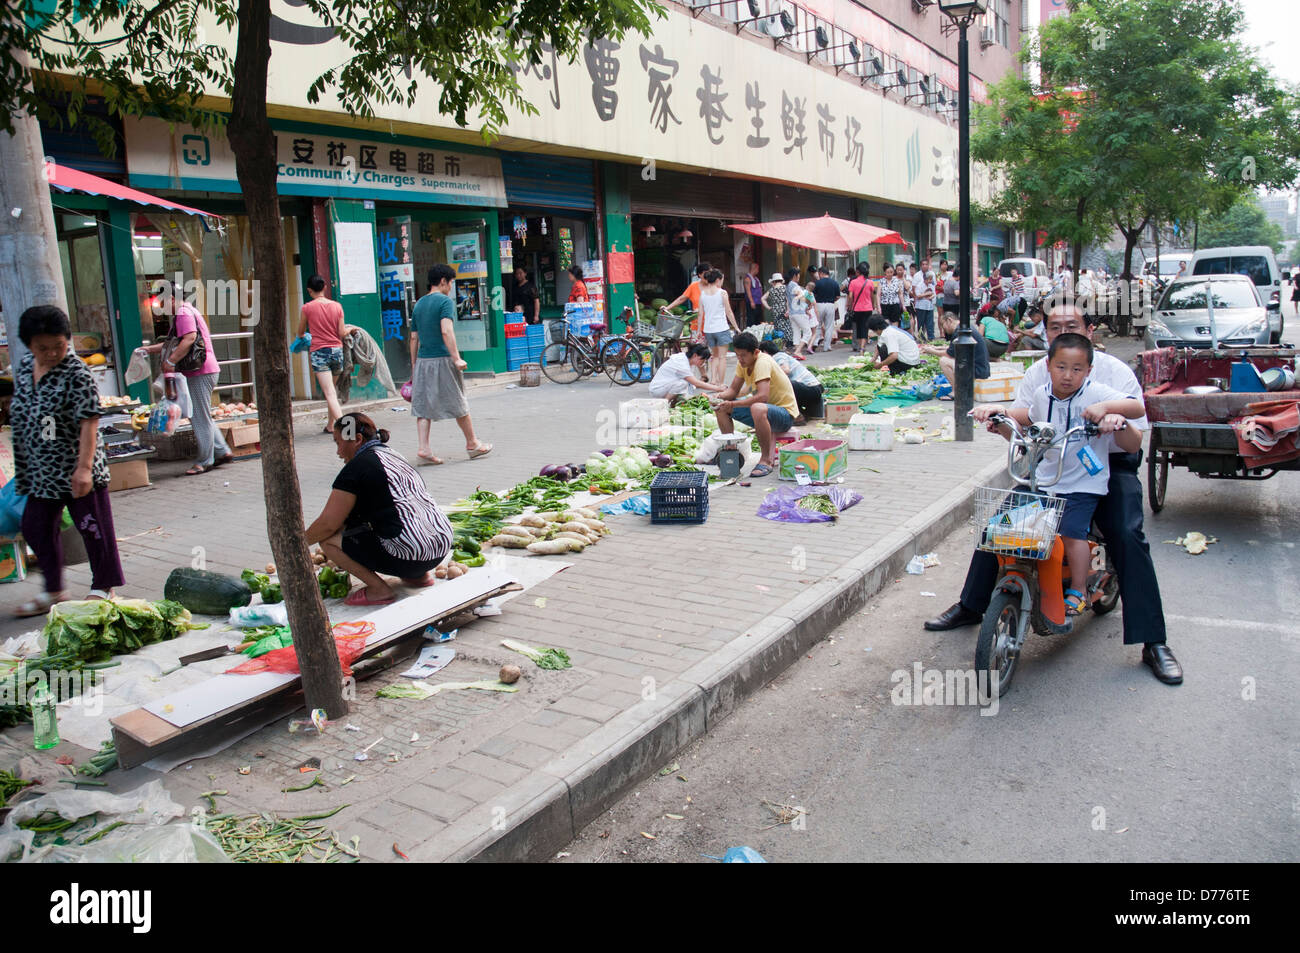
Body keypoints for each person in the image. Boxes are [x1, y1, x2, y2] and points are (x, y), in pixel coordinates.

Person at [924, 302, 1182, 685]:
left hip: (1106, 469)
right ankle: (973, 605)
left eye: (1071, 325)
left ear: (1088, 331)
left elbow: (1132, 440)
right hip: (1051, 468)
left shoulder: (1112, 374)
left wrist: (1112, 419)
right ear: (1045, 337)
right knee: (1003, 521)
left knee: (1128, 533)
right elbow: (1025, 428)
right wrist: (1002, 426)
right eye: (1054, 327)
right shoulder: (1038, 376)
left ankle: (1153, 642)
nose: (1061, 333)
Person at [973, 333, 1144, 616]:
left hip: (1083, 482)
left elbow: (1136, 406)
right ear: (1048, 365)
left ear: (1088, 371)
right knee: (1008, 527)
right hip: (1047, 478)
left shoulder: (1097, 392)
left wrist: (1107, 410)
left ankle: (1078, 589)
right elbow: (1028, 421)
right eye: (1061, 367)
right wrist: (999, 415)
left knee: (1070, 533)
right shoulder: (1042, 395)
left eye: (1077, 369)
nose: (1068, 375)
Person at [10, 305, 125, 616]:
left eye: (58, 345)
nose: (51, 353)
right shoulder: (23, 368)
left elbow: (89, 421)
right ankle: (54, 589)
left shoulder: (76, 373)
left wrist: (84, 469)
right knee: (34, 527)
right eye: (42, 348)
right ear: (29, 345)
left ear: (68, 340)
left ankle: (104, 586)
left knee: (93, 527)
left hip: (77, 465)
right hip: (40, 470)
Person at [306, 413, 454, 607]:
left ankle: (378, 589)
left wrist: (297, 545)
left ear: (357, 440)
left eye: (338, 443)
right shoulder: (392, 454)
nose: (338, 452)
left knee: (327, 540)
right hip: (439, 547)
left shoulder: (357, 468)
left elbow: (327, 525)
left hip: (410, 556)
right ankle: (419, 577)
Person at [140, 283, 232, 476]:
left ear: (171, 299)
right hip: (203, 370)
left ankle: (205, 461)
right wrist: (149, 349)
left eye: (162, 302)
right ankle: (222, 451)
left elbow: (189, 338)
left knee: (199, 416)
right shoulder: (188, 310)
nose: (162, 307)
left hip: (202, 371)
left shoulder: (183, 313)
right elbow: (172, 343)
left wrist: (171, 362)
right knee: (201, 414)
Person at [409, 263, 492, 465]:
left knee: (422, 406)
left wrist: (414, 366)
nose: (451, 287)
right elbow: (446, 331)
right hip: (443, 359)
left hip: (423, 360)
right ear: (444, 281)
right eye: (451, 282)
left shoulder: (419, 304)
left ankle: (424, 448)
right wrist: (456, 358)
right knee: (458, 401)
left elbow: (413, 338)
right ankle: (472, 443)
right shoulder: (444, 302)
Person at [713, 331, 799, 478]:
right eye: (737, 355)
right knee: (721, 408)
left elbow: (763, 396)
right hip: (764, 412)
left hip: (785, 414)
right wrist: (718, 397)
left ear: (756, 352)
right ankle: (731, 451)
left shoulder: (762, 362)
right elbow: (733, 390)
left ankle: (766, 460)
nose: (740, 359)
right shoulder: (743, 363)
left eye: (743, 355)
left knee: (757, 407)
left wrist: (733, 404)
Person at [296, 274, 347, 433]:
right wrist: (351, 330)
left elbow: (300, 332)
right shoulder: (337, 306)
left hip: (320, 353)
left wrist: (303, 337)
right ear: (325, 287)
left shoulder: (307, 308)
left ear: (309, 290)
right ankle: (331, 425)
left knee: (330, 393)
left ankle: (347, 430)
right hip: (337, 352)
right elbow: (342, 332)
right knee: (332, 390)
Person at [760, 339, 823, 424]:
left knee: (781, 386)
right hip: (813, 389)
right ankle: (799, 414)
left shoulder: (778, 356)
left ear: (765, 352)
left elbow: (786, 370)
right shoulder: (780, 356)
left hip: (812, 389)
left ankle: (797, 416)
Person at [698, 268, 741, 384]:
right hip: (721, 328)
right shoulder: (722, 293)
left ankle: (713, 379)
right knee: (722, 357)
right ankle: (721, 383)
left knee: (714, 356)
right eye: (722, 279)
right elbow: (729, 312)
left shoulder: (702, 294)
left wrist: (698, 330)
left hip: (708, 330)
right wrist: (736, 327)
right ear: (718, 279)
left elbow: (700, 314)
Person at [923, 309, 990, 384]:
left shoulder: (959, 332)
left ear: (949, 320)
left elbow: (949, 354)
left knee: (944, 361)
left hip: (977, 371)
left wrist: (931, 351)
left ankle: (956, 391)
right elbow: (955, 348)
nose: (943, 328)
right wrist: (937, 347)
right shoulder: (965, 327)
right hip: (982, 369)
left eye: (942, 324)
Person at [648, 343, 725, 404]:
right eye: (703, 360)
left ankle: (673, 404)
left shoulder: (687, 359)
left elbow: (693, 385)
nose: (703, 363)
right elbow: (696, 383)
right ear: (695, 355)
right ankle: (664, 403)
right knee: (683, 383)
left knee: (686, 386)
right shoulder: (681, 363)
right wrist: (718, 388)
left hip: (664, 386)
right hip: (658, 389)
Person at [845, 262, 877, 355]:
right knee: (865, 328)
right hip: (867, 308)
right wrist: (873, 304)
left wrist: (850, 305)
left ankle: (860, 347)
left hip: (857, 309)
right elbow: (872, 295)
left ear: (858, 272)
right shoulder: (870, 282)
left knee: (858, 328)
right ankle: (862, 348)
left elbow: (850, 296)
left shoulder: (853, 282)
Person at [786, 271, 815, 358]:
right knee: (808, 332)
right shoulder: (795, 286)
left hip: (792, 313)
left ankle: (797, 351)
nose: (799, 276)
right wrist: (808, 303)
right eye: (798, 275)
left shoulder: (787, 286)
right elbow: (801, 297)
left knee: (796, 332)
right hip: (799, 312)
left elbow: (788, 300)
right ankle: (798, 351)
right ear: (795, 275)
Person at [812, 266, 841, 353]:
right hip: (830, 305)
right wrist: (832, 300)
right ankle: (827, 346)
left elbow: (813, 295)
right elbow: (838, 296)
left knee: (818, 325)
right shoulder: (835, 283)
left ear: (821, 273)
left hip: (819, 304)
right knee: (829, 326)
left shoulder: (817, 283)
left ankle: (815, 342)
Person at [761, 270, 791, 349]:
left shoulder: (771, 290)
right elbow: (787, 299)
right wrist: (788, 310)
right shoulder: (785, 288)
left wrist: (769, 307)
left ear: (773, 281)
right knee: (786, 327)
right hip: (784, 310)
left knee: (778, 327)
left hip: (775, 311)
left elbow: (763, 299)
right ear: (781, 281)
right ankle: (785, 345)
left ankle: (780, 345)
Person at [877, 264, 905, 339]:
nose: (890, 274)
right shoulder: (881, 281)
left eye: (891, 272)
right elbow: (878, 295)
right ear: (885, 272)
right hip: (884, 305)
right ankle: (886, 340)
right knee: (885, 325)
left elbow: (900, 294)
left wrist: (903, 305)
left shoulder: (897, 281)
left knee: (895, 325)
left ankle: (894, 340)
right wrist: (878, 307)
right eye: (888, 272)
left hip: (895, 305)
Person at [912, 259, 936, 342]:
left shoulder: (931, 285)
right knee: (921, 323)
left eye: (931, 279)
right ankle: (921, 337)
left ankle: (931, 337)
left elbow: (933, 293)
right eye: (929, 279)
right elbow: (918, 295)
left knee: (930, 322)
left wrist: (931, 296)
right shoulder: (919, 285)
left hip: (929, 306)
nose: (930, 281)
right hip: (921, 306)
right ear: (925, 279)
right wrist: (926, 294)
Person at [741, 261, 764, 327]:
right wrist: (751, 301)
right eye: (758, 269)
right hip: (752, 302)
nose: (758, 271)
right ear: (754, 268)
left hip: (758, 302)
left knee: (758, 320)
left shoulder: (756, 279)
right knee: (751, 320)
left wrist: (761, 302)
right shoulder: (748, 279)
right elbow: (748, 291)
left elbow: (760, 290)